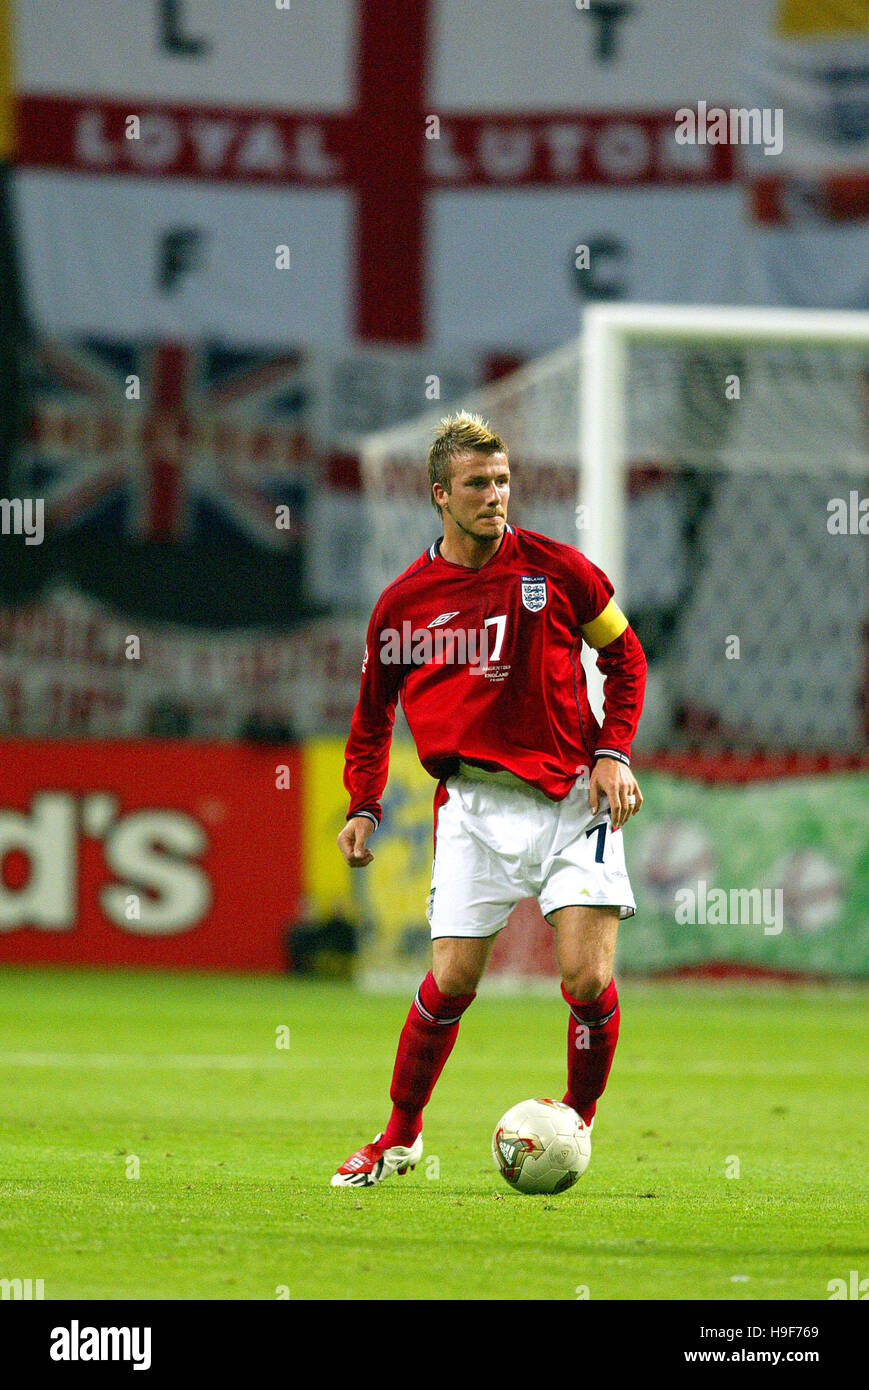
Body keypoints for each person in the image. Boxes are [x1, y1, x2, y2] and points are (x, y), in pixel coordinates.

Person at [331, 412, 646, 1187]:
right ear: (440, 494)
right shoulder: (404, 604)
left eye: (502, 481)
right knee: (450, 983)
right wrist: (364, 803)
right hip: (471, 808)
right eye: (476, 484)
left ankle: (577, 1118)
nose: (494, 496)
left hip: (573, 799)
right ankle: (397, 1135)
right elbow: (372, 715)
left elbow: (626, 657)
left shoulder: (560, 572)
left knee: (583, 979)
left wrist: (612, 752)